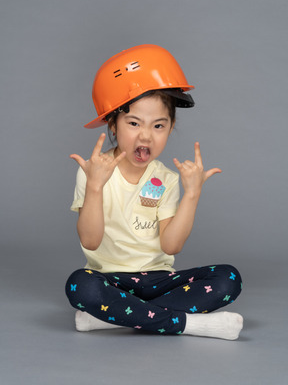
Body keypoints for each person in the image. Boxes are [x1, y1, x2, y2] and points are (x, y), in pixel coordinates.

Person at [65, 44, 243, 340]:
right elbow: (90, 241)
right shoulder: (93, 171)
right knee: (79, 285)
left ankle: (114, 318)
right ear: (113, 123)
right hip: (110, 282)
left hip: (160, 280)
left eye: (158, 125)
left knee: (228, 279)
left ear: (171, 128)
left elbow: (171, 246)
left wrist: (192, 194)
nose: (145, 135)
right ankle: (188, 324)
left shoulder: (166, 179)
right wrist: (95, 186)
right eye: (133, 123)